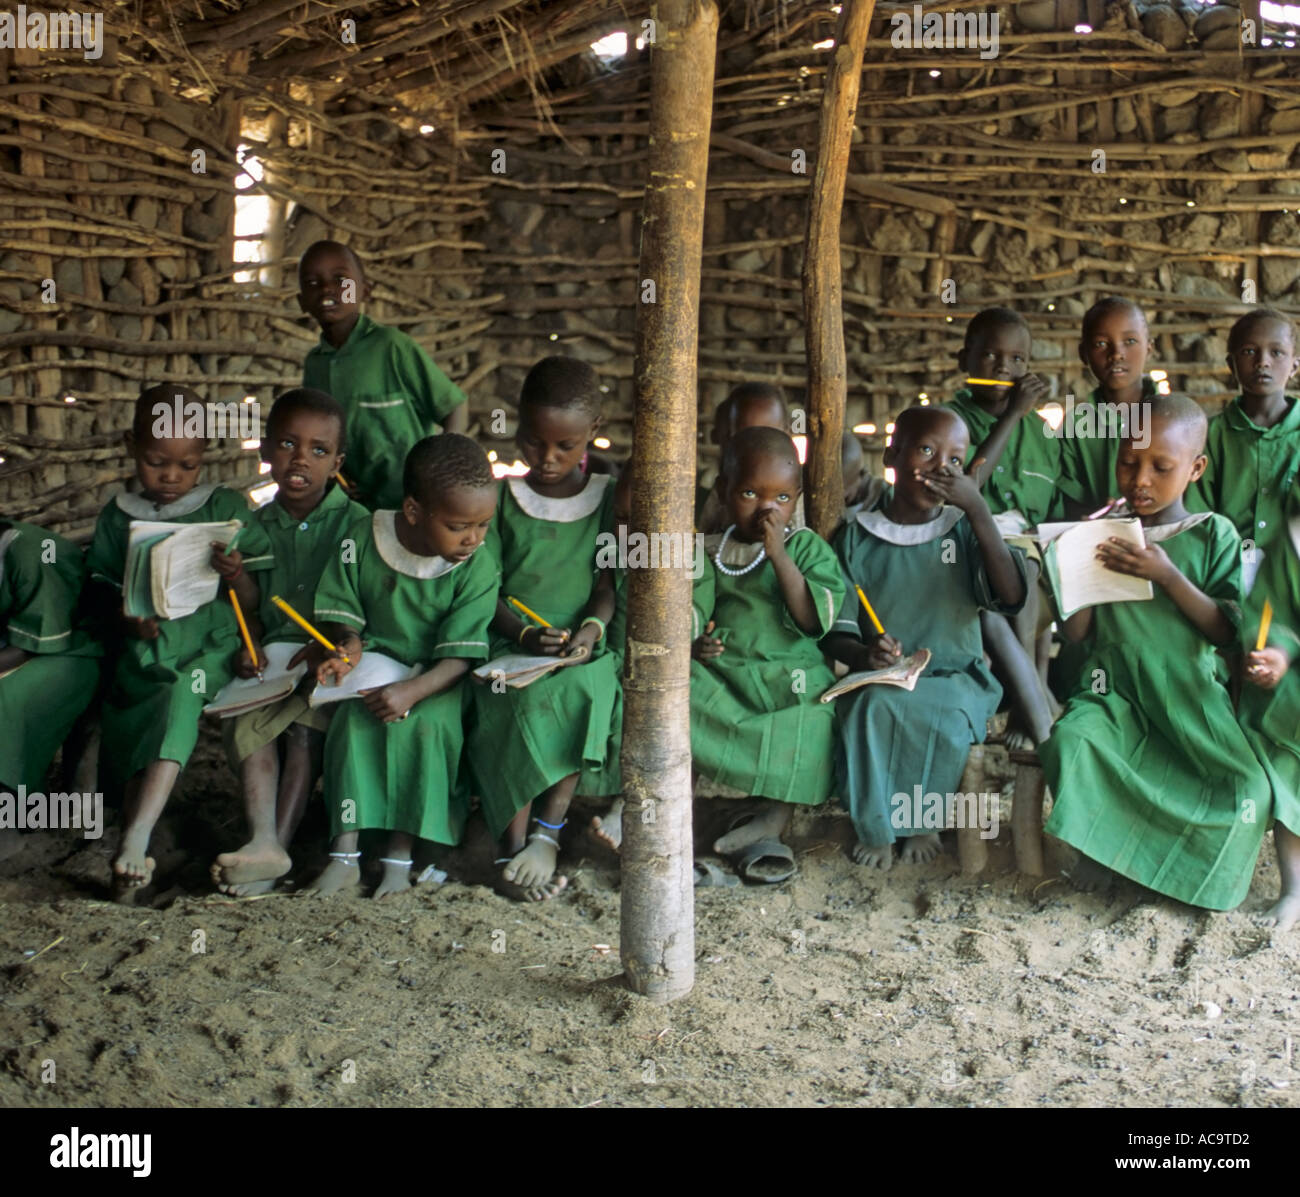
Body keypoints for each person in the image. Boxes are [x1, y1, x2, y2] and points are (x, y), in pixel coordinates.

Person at [1039, 393, 1270, 909]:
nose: (1140, 479)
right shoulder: (1103, 537)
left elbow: (1228, 630)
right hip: (1114, 693)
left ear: (1195, 468)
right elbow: (1076, 634)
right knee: (1071, 742)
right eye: (1128, 462)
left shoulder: (1214, 534)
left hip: (1189, 697)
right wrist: (1063, 573)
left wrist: (1167, 575)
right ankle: (1101, 850)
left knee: (1247, 790)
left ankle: (1182, 872)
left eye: (1161, 467)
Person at [87, 384, 270, 897]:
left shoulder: (225, 506)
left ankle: (137, 837)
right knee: (146, 691)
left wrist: (234, 574)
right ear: (130, 446)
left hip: (209, 646)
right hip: (146, 646)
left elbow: (253, 601)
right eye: (155, 462)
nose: (171, 477)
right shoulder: (117, 515)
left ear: (204, 456)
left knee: (179, 692)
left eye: (186, 466)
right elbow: (101, 592)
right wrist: (130, 620)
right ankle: (146, 829)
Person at [825, 406, 1026, 869]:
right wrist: (864, 653)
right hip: (885, 678)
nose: (941, 467)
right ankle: (876, 827)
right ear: (891, 457)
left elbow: (1011, 593)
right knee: (867, 708)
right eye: (927, 450)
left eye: (955, 461)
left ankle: (920, 821)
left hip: (956, 676)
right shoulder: (857, 538)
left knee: (941, 716)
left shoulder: (964, 530)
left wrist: (976, 508)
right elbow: (839, 632)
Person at [305, 433, 499, 898]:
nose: (472, 538)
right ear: (414, 511)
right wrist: (347, 648)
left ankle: (398, 858)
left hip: (438, 680)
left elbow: (461, 655)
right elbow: (344, 617)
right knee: (354, 722)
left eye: (483, 525)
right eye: (458, 526)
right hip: (376, 665)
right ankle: (345, 855)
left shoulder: (477, 565)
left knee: (424, 728)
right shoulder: (363, 537)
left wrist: (412, 692)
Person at [468, 357, 620, 900]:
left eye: (566, 446)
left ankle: (549, 833)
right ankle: (512, 844)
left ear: (592, 436)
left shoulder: (606, 501)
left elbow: (606, 584)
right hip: (512, 642)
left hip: (579, 648)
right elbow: (485, 590)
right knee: (512, 699)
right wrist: (526, 637)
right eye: (533, 443)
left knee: (583, 688)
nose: (548, 458)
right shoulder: (504, 500)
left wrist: (591, 631)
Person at [210, 388, 369, 896]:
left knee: (303, 732)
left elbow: (369, 608)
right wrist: (240, 598)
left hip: (331, 661)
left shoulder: (358, 524)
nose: (301, 459)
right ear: (263, 452)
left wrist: (342, 645)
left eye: (319, 451)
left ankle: (274, 845)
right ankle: (261, 838)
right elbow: (251, 609)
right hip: (274, 661)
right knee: (247, 723)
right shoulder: (254, 527)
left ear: (338, 463)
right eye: (286, 444)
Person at [689, 426, 845, 883]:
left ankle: (772, 820)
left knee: (818, 720)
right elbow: (693, 607)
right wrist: (696, 644)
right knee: (675, 695)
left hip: (788, 678)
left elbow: (814, 619)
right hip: (726, 674)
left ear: (796, 500)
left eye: (781, 498)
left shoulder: (806, 548)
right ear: (723, 491)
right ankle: (676, 810)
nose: (766, 508)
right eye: (751, 492)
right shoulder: (709, 551)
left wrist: (779, 556)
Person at [944, 306, 1054, 748]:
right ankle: (1034, 707)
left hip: (1036, 554)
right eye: (990, 355)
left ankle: (1036, 693)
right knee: (1019, 563)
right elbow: (967, 487)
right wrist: (1012, 415)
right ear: (963, 360)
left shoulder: (1044, 433)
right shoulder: (950, 422)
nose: (1003, 368)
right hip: (967, 552)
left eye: (1016, 360)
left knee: (1034, 561)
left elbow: (1056, 506)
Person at [298, 239, 468, 511]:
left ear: (366, 291)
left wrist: (441, 473)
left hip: (413, 504)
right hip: (356, 509)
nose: (327, 288)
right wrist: (334, 476)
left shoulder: (391, 346)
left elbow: (454, 406)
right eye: (312, 283)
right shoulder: (315, 366)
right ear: (301, 301)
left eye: (341, 279)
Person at [1188, 308, 1300, 572]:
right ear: (1231, 364)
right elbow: (1198, 516)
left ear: (1295, 366)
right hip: (1225, 569)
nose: (1263, 362)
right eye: (1249, 351)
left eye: (1276, 352)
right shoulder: (1210, 435)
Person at [1238, 487, 1300, 931]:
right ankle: (1295, 886)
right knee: (1285, 744)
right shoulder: (1291, 542)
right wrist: (1276, 652)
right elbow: (1268, 614)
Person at [0, 521, 101, 794]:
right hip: (20, 644)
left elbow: (37, 641)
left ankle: (18, 799)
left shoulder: (31, 552)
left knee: (5, 699)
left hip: (74, 649)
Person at [1060, 296, 1158, 517]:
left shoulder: (1174, 419)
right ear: (1084, 354)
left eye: (1130, 341)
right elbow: (1068, 495)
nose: (1116, 354)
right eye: (1101, 344)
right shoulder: (1075, 425)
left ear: (1149, 349)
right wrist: (1098, 513)